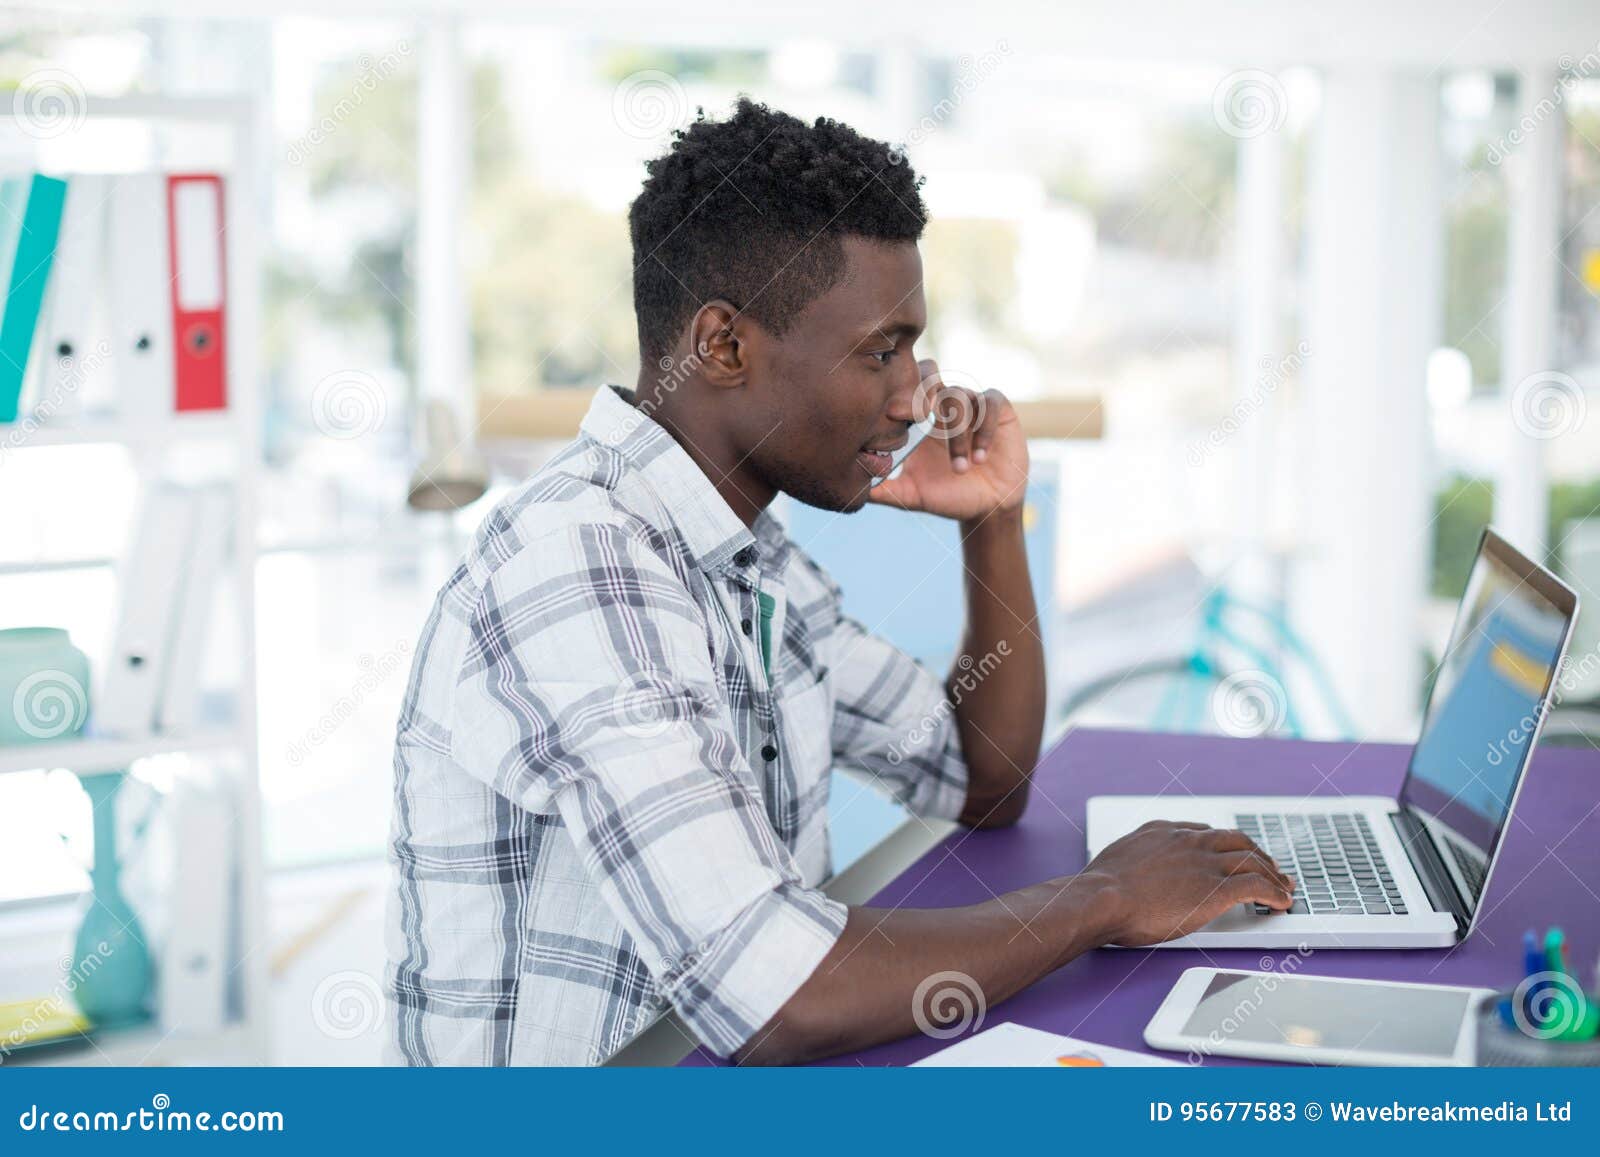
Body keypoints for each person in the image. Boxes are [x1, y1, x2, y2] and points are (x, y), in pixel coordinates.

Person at [387, 98, 1293, 1067]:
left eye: (912, 345)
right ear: (724, 346)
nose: (914, 395)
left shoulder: (744, 546)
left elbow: (980, 776)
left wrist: (991, 520)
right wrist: (1103, 898)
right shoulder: (579, 567)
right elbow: (776, 991)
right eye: (878, 349)